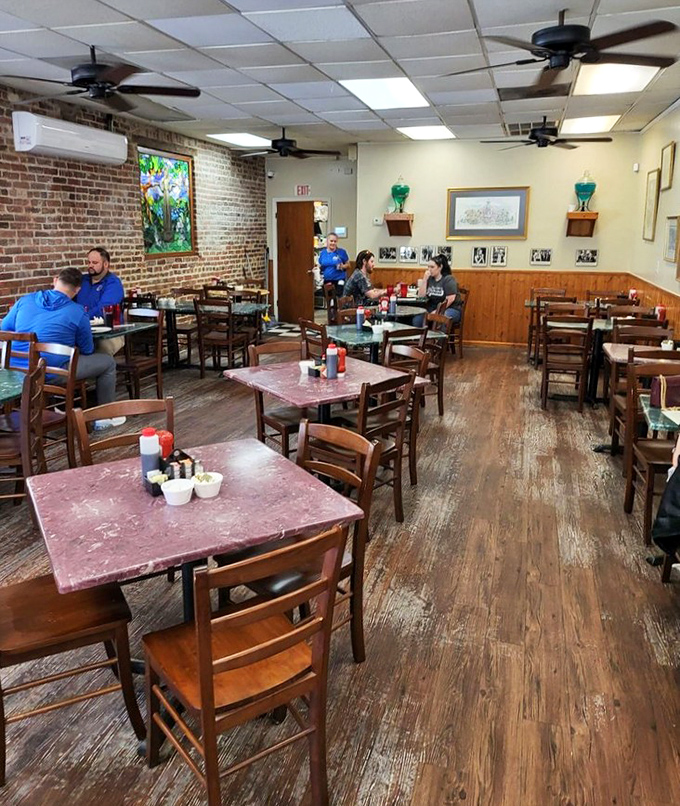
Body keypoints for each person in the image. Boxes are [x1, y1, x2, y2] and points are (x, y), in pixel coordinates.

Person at [1, 268, 124, 430]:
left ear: (55, 280)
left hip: (15, 370)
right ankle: (105, 416)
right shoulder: (77, 311)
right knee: (107, 362)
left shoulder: (25, 300)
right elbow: (87, 349)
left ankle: (55, 406)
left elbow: (4, 329)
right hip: (50, 372)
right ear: (78, 290)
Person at [76, 247, 125, 356]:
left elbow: (104, 309)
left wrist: (79, 319)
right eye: (88, 262)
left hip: (110, 332)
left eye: (95, 263)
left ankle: (102, 370)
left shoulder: (113, 283)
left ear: (106, 264)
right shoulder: (82, 281)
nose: (90, 266)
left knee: (102, 349)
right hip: (84, 330)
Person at [414, 253, 462, 327]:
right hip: (432, 307)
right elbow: (421, 296)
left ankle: (439, 338)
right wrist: (424, 280)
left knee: (441, 318)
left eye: (432, 267)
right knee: (417, 318)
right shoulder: (430, 279)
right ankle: (420, 338)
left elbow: (451, 298)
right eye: (428, 267)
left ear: (440, 267)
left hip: (450, 308)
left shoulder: (448, 279)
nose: (429, 270)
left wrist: (437, 311)